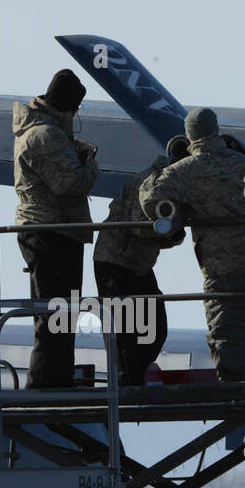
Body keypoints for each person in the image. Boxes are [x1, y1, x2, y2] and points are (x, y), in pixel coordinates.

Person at [139, 108, 245, 382]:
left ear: (190, 137)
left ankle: (236, 384)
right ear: (216, 130)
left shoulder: (187, 170)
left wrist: (166, 173)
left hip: (222, 262)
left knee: (226, 324)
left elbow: (151, 199)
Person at [12, 69, 99, 387]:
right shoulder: (46, 136)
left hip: (48, 231)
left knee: (58, 316)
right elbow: (68, 183)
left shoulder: (39, 132)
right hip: (53, 233)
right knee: (56, 318)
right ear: (68, 107)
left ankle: (53, 381)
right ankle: (45, 386)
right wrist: (89, 167)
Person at [92, 137, 189, 385]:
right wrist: (171, 232)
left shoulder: (168, 183)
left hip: (136, 262)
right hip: (116, 259)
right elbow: (140, 225)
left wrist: (171, 232)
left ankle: (133, 376)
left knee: (154, 328)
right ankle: (126, 383)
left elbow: (153, 230)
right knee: (123, 331)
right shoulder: (156, 183)